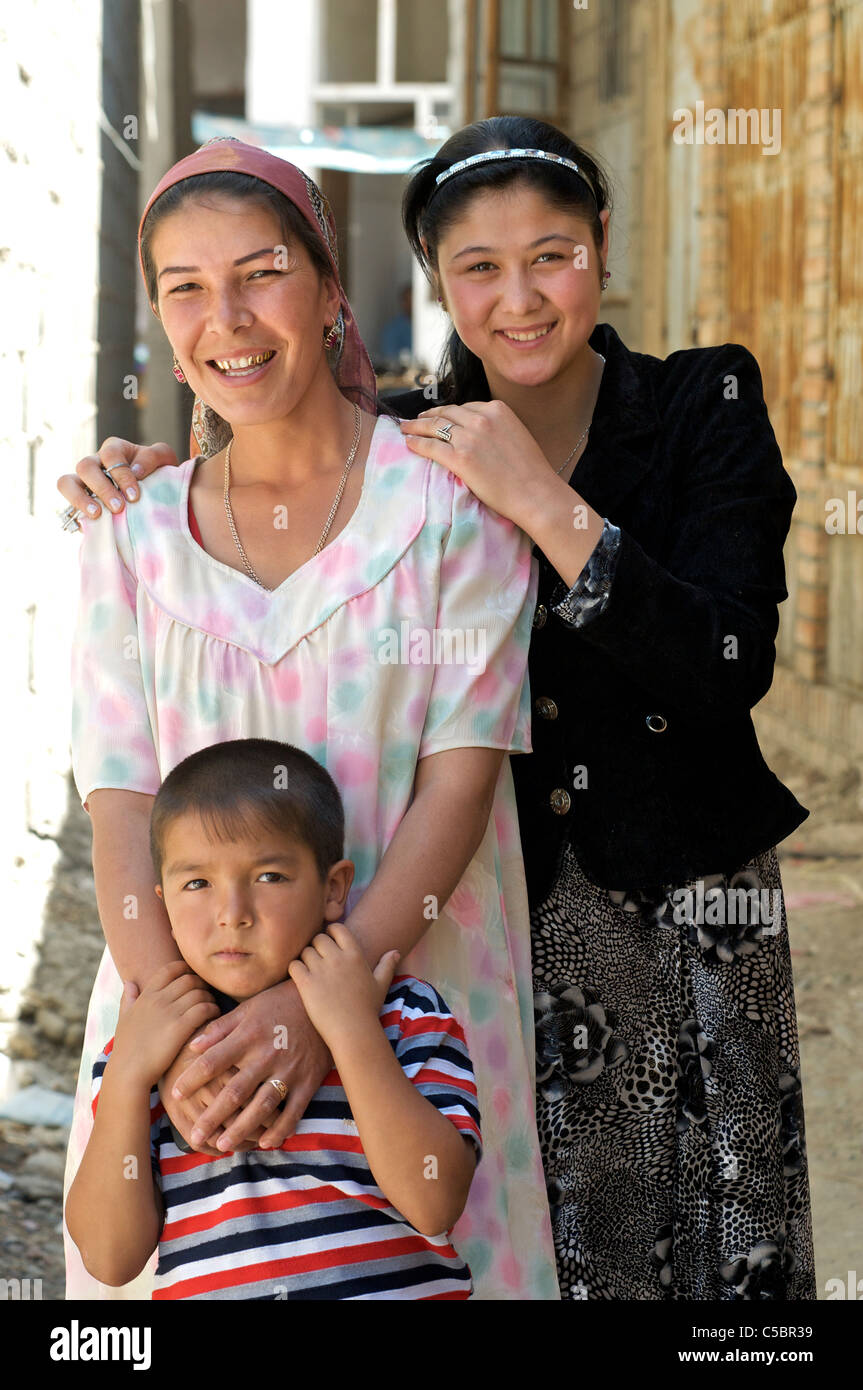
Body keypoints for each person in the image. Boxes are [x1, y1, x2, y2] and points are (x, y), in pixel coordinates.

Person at [58, 116, 816, 1302]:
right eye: (476, 268)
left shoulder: (653, 416)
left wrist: (539, 500)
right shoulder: (411, 437)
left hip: (639, 903)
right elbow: (123, 785)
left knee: (698, 1248)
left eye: (550, 255)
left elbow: (720, 661)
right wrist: (144, 470)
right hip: (387, 946)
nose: (517, 298)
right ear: (428, 284)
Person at [60, 136, 558, 1301]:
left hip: (411, 999)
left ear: (330, 289)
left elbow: (458, 785)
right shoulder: (129, 536)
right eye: (184, 286)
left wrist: (317, 1013)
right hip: (184, 1037)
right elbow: (122, 806)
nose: (225, 318)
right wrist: (172, 1028)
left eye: (261, 272)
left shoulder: (449, 505)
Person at [66, 739, 482, 1301]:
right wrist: (128, 1078)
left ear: (334, 888)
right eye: (197, 883)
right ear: (161, 902)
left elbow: (436, 1202)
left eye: (268, 877)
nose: (232, 914)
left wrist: (353, 1031)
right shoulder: (148, 1043)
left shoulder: (402, 1012)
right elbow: (110, 1259)